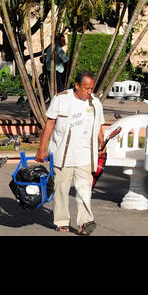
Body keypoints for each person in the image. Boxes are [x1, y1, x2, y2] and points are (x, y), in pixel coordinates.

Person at [36, 70, 107, 234]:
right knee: (61, 190)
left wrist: (102, 143)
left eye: (92, 88)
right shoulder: (61, 99)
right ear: (77, 85)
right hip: (63, 155)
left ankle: (85, 222)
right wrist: (41, 149)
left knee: (84, 190)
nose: (89, 92)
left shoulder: (95, 102)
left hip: (85, 155)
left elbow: (98, 125)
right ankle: (62, 222)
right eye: (86, 88)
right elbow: (50, 124)